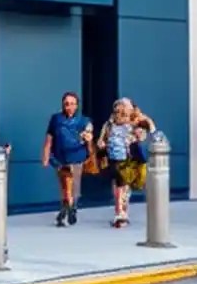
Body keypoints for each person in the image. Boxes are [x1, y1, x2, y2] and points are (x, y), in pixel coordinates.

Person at [41, 92, 93, 227]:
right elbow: (49, 138)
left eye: (72, 104)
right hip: (60, 157)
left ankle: (69, 209)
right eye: (66, 104)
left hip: (77, 156)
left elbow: (89, 139)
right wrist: (46, 155)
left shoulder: (84, 121)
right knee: (64, 185)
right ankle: (67, 209)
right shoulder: (56, 119)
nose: (69, 107)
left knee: (74, 186)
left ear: (77, 105)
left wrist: (90, 151)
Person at [97, 98, 139, 228]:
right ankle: (120, 212)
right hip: (113, 159)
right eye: (117, 112)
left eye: (123, 113)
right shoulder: (108, 125)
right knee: (118, 186)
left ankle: (122, 212)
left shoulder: (132, 125)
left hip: (127, 159)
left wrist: (133, 138)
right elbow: (100, 140)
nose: (119, 115)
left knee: (124, 186)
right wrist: (101, 144)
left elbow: (141, 136)